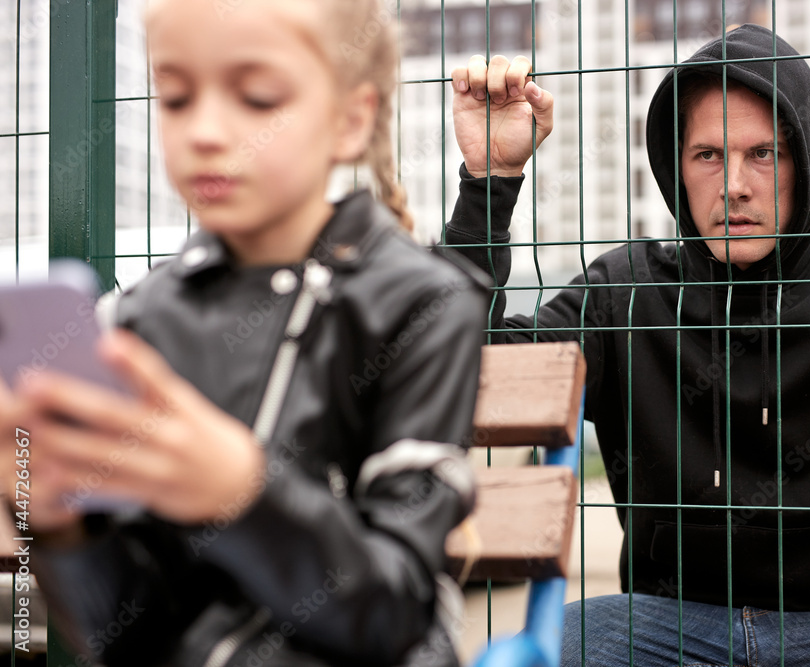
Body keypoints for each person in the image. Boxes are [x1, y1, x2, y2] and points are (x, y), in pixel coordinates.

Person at [446, 22, 810, 666]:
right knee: (565, 645)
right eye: (708, 154)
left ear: (807, 160)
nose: (734, 184)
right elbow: (458, 375)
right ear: (675, 167)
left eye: (765, 153)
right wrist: (490, 179)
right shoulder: (625, 293)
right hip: (664, 625)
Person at [0, 1, 487, 665]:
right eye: (175, 97)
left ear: (348, 120)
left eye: (256, 98)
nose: (203, 130)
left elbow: (394, 611)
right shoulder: (138, 321)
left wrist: (244, 494)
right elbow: (125, 637)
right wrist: (60, 522)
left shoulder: (423, 305)